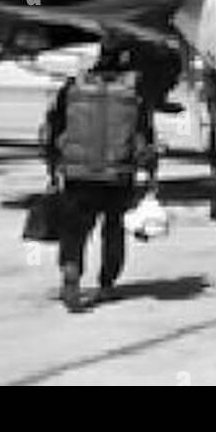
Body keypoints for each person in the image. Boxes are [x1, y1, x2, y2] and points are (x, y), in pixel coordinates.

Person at [42, 45, 157, 312]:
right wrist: (150, 174)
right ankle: (107, 282)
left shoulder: (73, 87)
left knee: (74, 229)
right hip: (118, 173)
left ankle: (71, 269)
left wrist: (53, 165)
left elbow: (54, 126)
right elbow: (145, 135)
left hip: (78, 173)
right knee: (113, 230)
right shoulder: (134, 92)